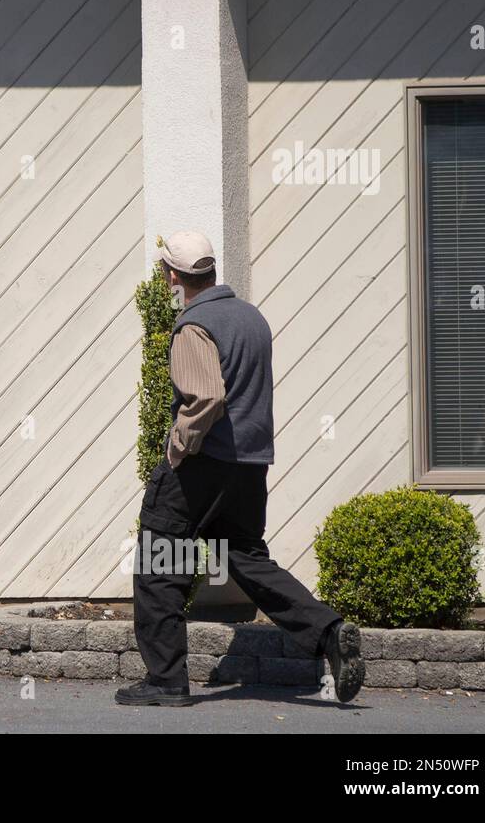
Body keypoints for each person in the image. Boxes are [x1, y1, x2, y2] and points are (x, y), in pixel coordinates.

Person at [117, 230, 364, 706]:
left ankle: (166, 682)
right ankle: (329, 631)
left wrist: (177, 447)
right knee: (245, 558)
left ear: (173, 276)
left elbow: (206, 396)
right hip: (249, 466)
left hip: (201, 464)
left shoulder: (194, 326)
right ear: (211, 270)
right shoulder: (252, 318)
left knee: (158, 567)